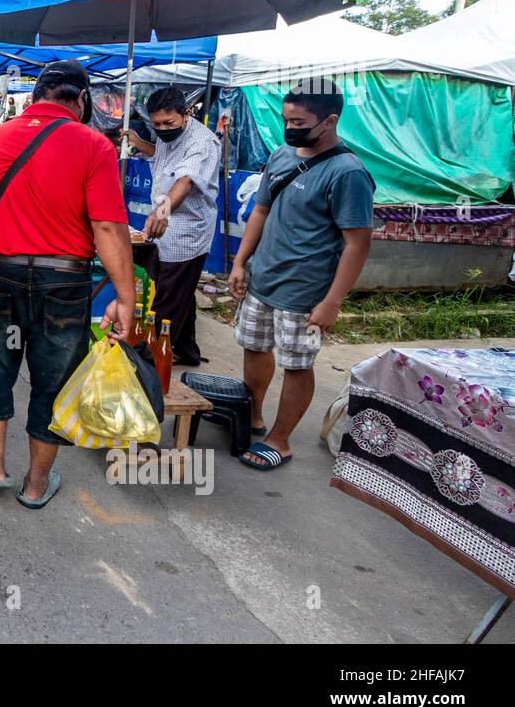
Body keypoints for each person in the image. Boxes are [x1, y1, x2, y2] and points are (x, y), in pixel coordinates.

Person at [0, 61, 135, 509]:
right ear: (81, 100)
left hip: (2, 271)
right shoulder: (94, 145)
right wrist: (125, 295)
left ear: (37, 94)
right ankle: (36, 485)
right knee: (55, 379)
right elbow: (107, 228)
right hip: (63, 279)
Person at [229, 78, 374, 471]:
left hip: (305, 293)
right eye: (285, 119)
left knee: (297, 364)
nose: (290, 128)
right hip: (262, 280)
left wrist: (332, 302)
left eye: (298, 121)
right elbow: (260, 211)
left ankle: (281, 439)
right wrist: (241, 262)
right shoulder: (280, 155)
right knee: (255, 348)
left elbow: (357, 244)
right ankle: (255, 414)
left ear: (329, 121)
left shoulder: (348, 174)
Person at [122, 87, 221, 365]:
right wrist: (141, 142)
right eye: (157, 124)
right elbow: (164, 158)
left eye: (169, 123)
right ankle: (186, 350)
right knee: (181, 293)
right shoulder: (168, 135)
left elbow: (186, 180)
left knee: (166, 299)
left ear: (187, 114)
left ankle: (148, 362)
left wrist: (162, 211)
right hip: (162, 226)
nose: (163, 129)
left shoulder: (202, 143)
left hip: (186, 231)